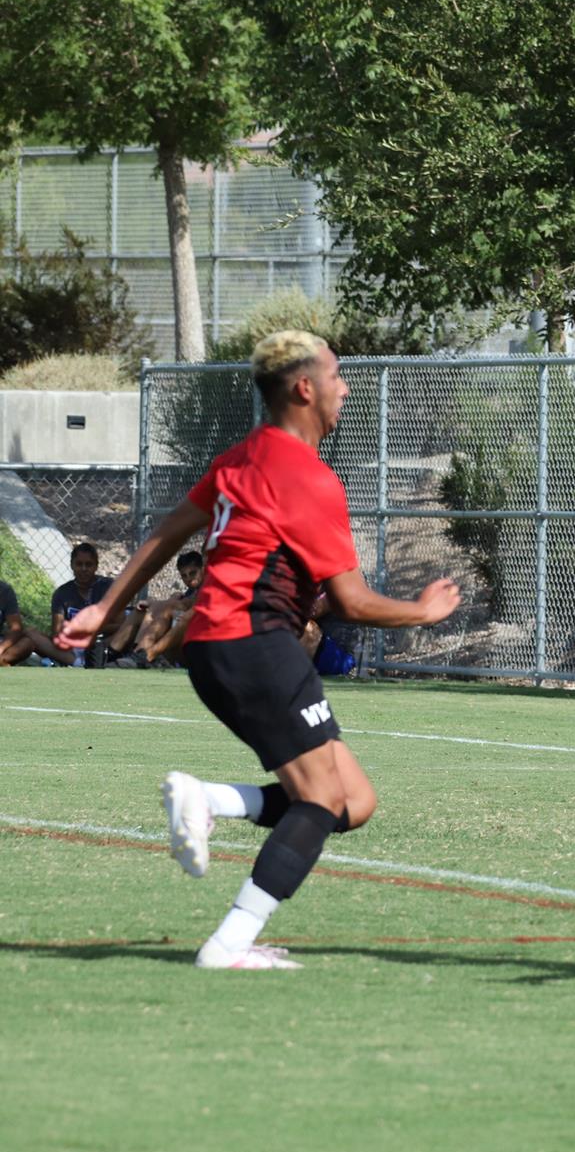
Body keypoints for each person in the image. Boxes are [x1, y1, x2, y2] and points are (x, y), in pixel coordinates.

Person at [58, 330, 461, 970]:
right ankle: (231, 943)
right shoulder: (309, 478)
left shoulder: (240, 459)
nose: (344, 388)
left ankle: (212, 801)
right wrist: (424, 610)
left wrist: (106, 609)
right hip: (257, 647)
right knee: (321, 800)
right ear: (305, 388)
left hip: (218, 651)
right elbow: (352, 602)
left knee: (353, 802)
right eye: (336, 376)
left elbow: (166, 533)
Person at [50, 542, 114, 666]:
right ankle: (78, 662)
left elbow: (120, 624)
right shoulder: (61, 593)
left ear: (96, 566)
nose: (84, 569)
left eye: (88, 564)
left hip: (103, 642)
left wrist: (91, 628)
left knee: (134, 623)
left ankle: (103, 659)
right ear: (72, 565)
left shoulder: (108, 587)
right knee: (32, 634)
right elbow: (56, 632)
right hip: (73, 646)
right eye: (79, 564)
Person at [1, 576, 67, 665]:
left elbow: (15, 628)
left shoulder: (4, 590)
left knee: (28, 643)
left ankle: (3, 660)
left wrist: (1, 648)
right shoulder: (64, 592)